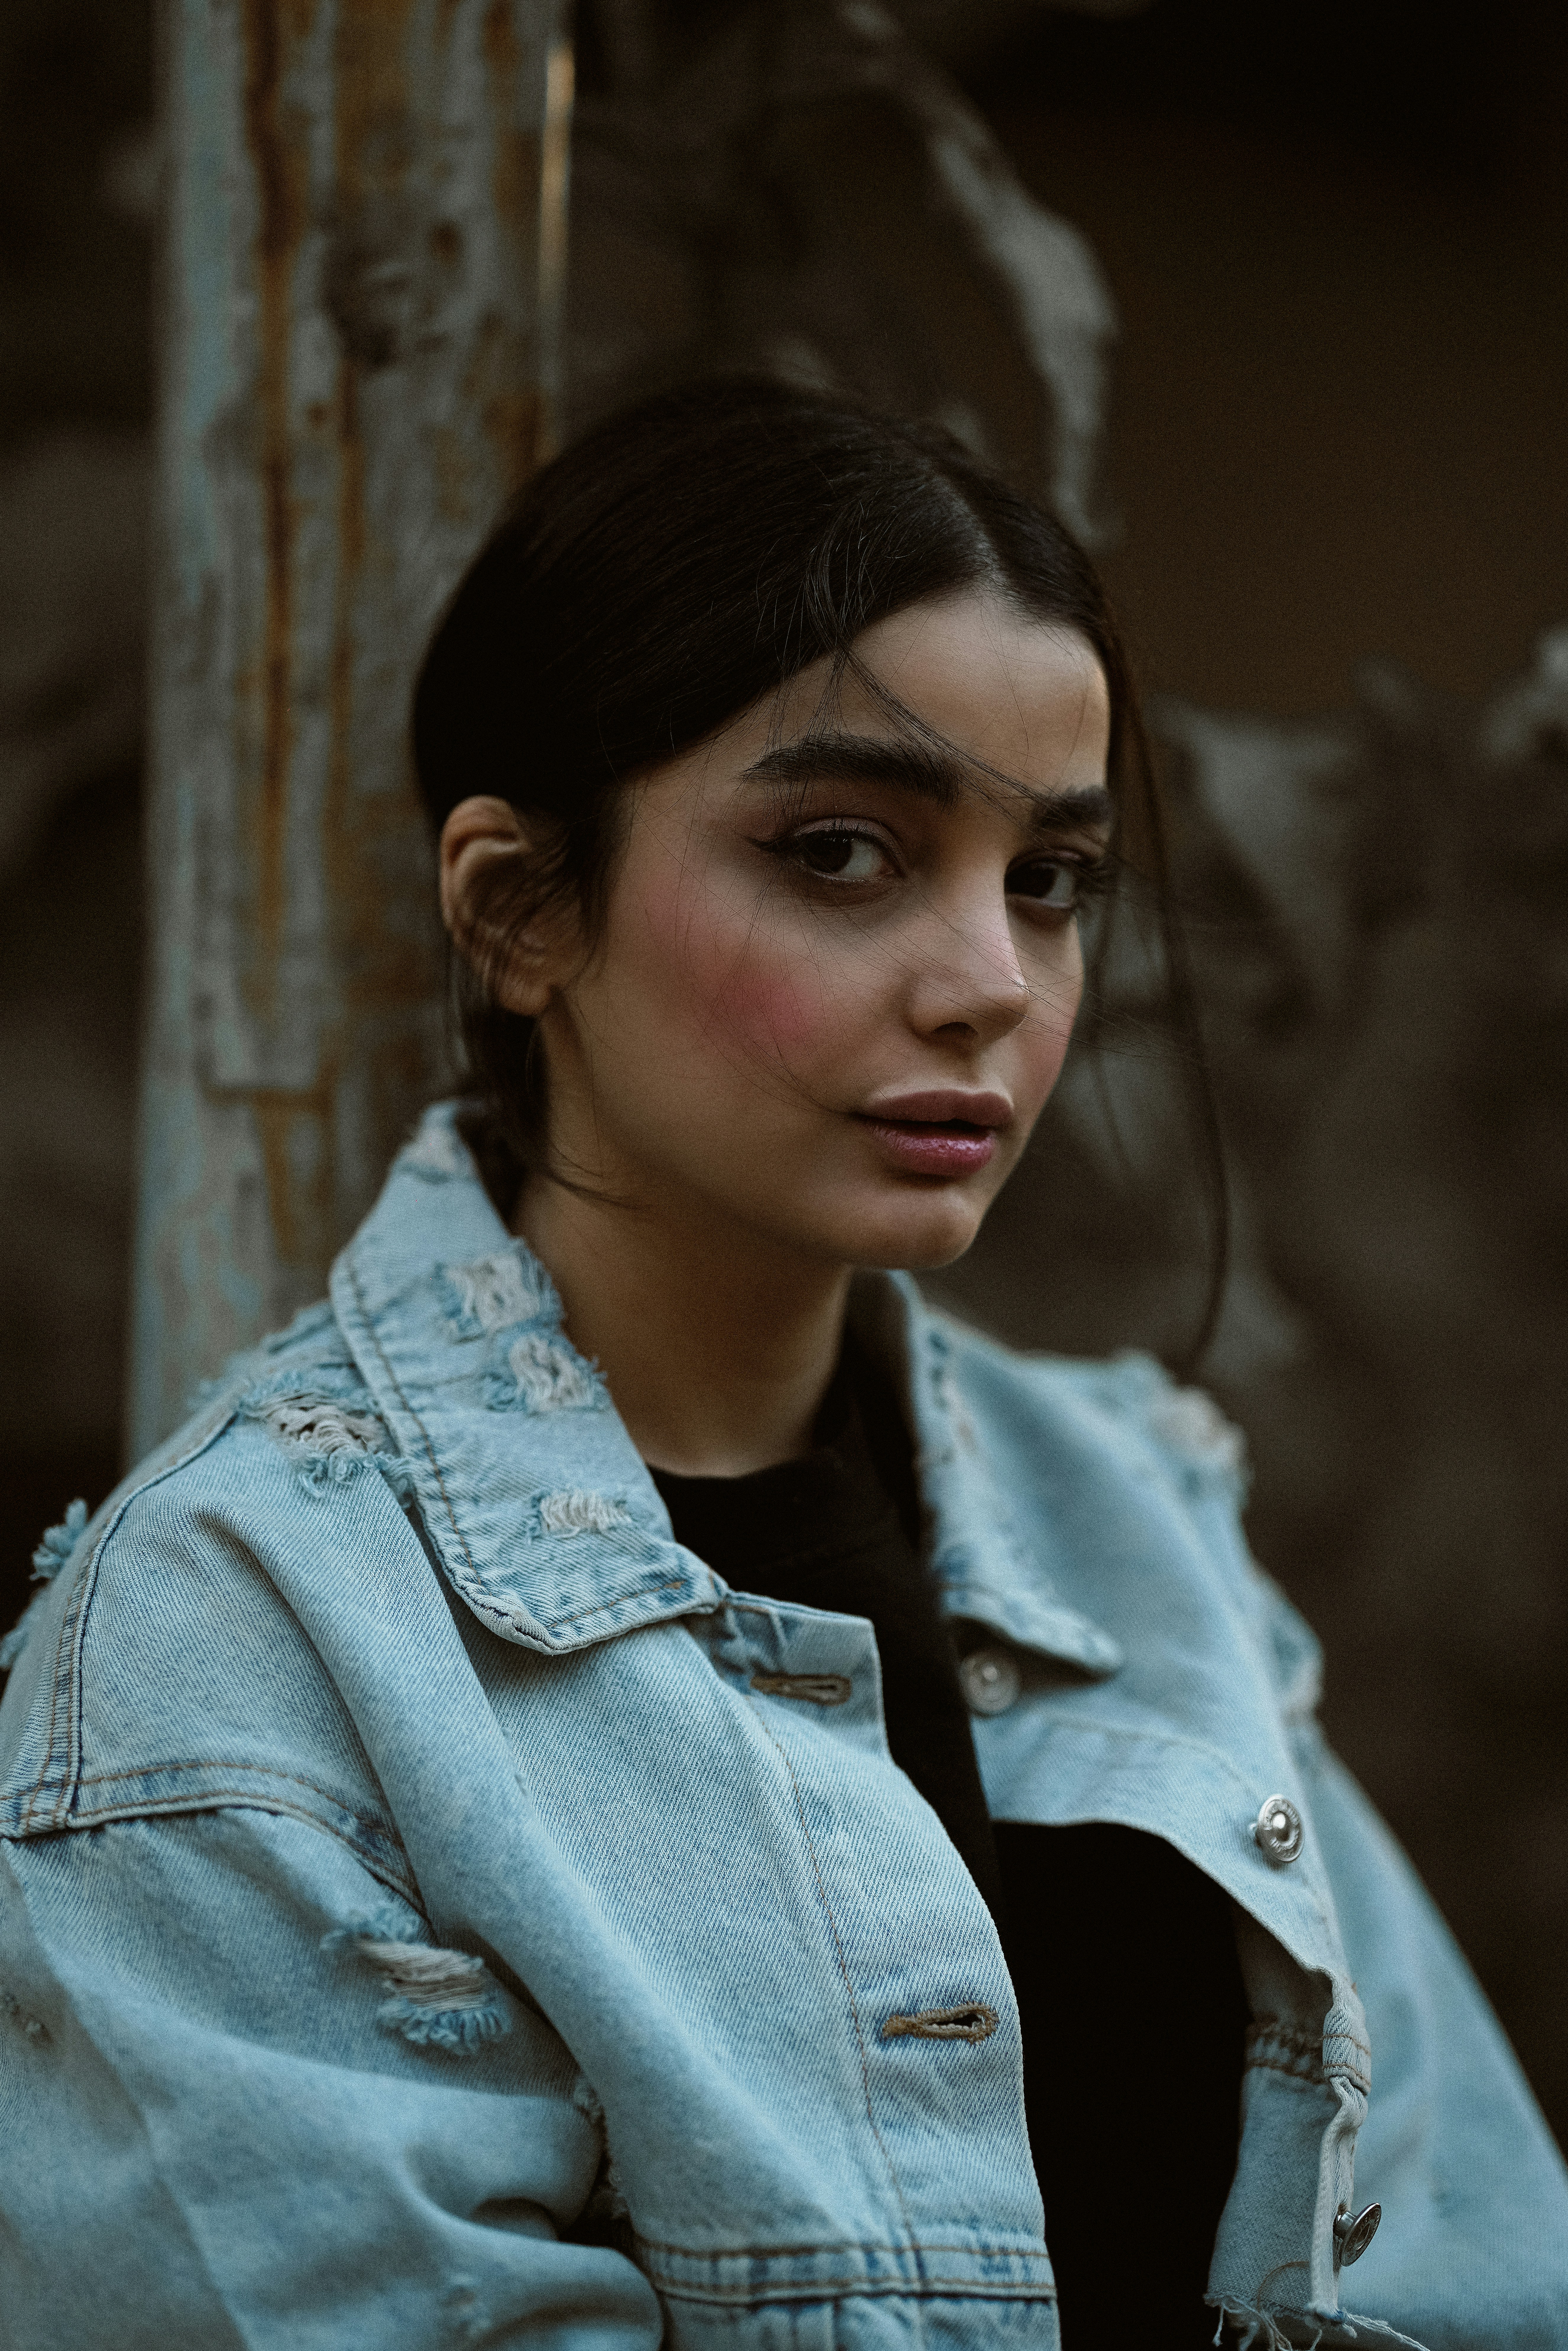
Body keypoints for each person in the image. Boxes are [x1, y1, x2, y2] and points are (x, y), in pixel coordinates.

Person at [0, 382, 1563, 2351]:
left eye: (1049, 876)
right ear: (520, 910)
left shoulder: (1134, 1512)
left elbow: (1468, 2257)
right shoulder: (247, 1632)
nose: (989, 977)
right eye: (840, 852)